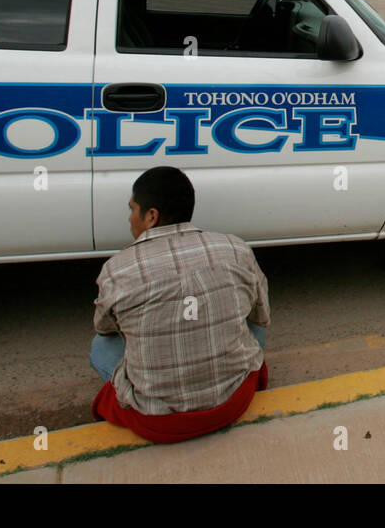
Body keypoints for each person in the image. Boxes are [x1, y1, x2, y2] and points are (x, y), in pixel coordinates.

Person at [90, 166, 271, 444]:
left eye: (132, 209)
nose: (129, 219)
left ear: (151, 216)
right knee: (253, 329)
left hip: (159, 422)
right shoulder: (236, 249)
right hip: (232, 403)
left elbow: (105, 328)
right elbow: (261, 316)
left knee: (100, 348)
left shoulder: (116, 270)